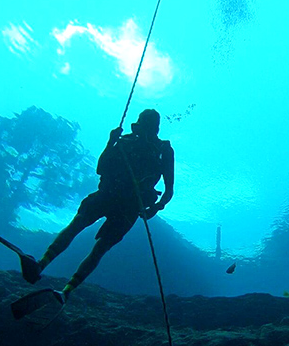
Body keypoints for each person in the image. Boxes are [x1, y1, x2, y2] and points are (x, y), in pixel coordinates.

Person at [20, 109, 174, 302]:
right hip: (107, 195)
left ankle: (67, 290)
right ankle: (41, 265)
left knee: (100, 247)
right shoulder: (124, 141)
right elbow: (101, 168)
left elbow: (169, 190)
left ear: (156, 128)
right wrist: (111, 142)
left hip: (129, 207)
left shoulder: (163, 150)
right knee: (76, 225)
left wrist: (156, 207)